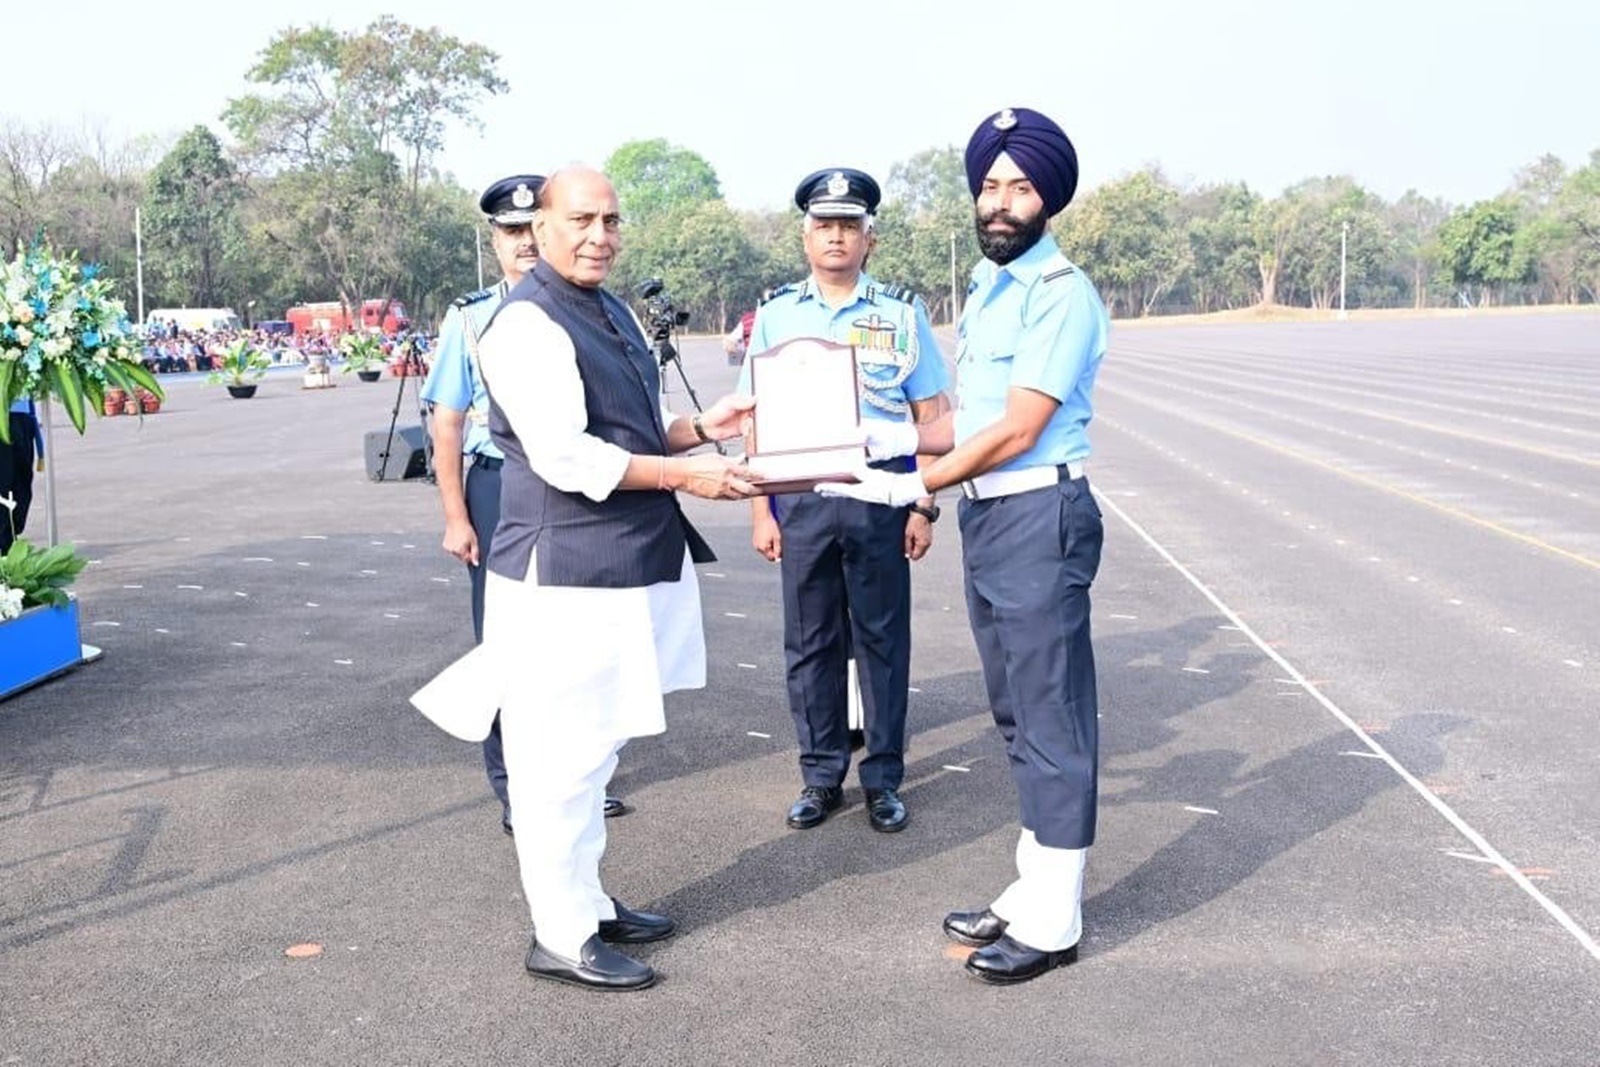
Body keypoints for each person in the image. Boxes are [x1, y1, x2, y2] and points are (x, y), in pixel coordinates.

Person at [416, 165, 758, 992]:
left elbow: (631, 424)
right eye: (581, 220)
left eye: (610, 219)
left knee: (596, 751)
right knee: (554, 759)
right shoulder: (523, 323)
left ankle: (590, 900)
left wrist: (702, 428)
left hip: (622, 564)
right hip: (561, 573)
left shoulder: (607, 307)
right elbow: (568, 454)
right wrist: (689, 477)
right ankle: (560, 933)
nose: (599, 234)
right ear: (538, 228)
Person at [817, 108, 1108, 985]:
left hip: (1035, 515)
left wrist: (917, 485)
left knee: (1052, 714)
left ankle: (1055, 917)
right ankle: (1032, 887)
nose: (1001, 202)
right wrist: (875, 451)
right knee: (1017, 710)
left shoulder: (1061, 294)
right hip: (992, 517)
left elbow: (1020, 430)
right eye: (990, 185)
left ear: (1049, 197)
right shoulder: (991, 290)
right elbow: (961, 425)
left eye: (1020, 187)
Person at [738, 168, 950, 834]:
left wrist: (923, 503)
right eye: (824, 225)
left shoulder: (900, 311)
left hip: (879, 487)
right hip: (799, 490)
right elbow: (753, 415)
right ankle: (821, 773)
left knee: (883, 637)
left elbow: (934, 413)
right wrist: (760, 508)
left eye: (848, 226)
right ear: (806, 237)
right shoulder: (776, 313)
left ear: (869, 239)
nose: (836, 237)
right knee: (810, 639)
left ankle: (883, 776)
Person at [420, 174, 627, 832]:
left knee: (574, 639)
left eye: (527, 230)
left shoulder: (585, 306)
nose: (522, 247)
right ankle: (513, 782)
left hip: (568, 488)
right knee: (506, 639)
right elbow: (447, 422)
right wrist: (456, 515)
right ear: (498, 240)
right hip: (496, 482)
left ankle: (578, 777)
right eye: (508, 235)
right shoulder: (473, 317)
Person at [1, 398, 40, 552]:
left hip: (20, 414)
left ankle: (10, 539)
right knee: (3, 483)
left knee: (22, 488)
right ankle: (5, 547)